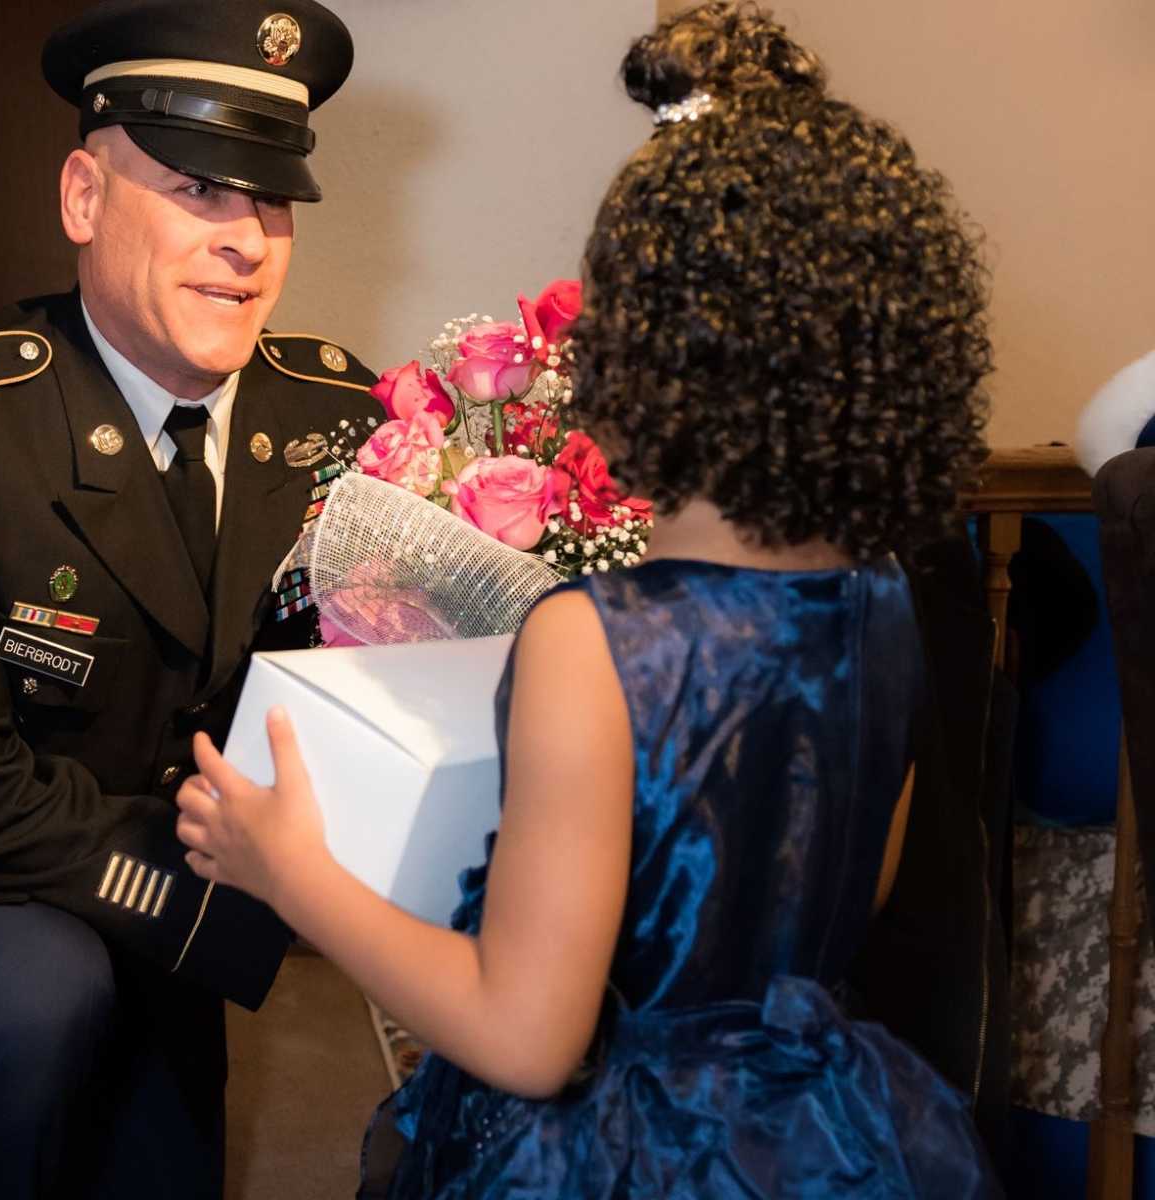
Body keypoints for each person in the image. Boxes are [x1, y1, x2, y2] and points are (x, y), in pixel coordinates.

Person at [175, 3, 1003, 1194]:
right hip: (816, 1129)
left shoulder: (599, 639)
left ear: (641, 349)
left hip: (625, 1152)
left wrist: (287, 866)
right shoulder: (883, 600)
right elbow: (836, 891)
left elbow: (526, 1036)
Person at [0, 2, 382, 1196]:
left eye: (271, 200)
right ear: (83, 200)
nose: (246, 240)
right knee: (41, 998)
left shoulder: (337, 418)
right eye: (199, 189)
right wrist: (222, 899)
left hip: (177, 843)